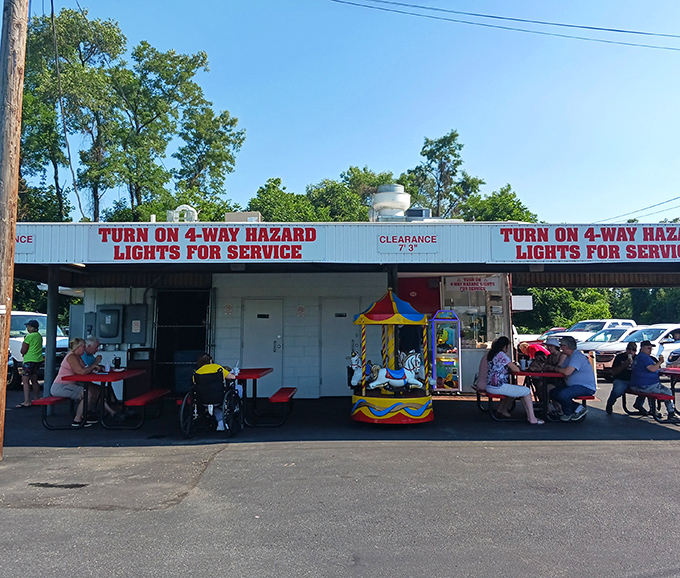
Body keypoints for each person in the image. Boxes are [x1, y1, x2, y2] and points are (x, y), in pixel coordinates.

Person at [51, 338, 121, 427]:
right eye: (83, 347)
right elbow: (81, 371)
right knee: (88, 393)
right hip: (61, 386)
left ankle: (90, 414)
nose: (84, 349)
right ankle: (77, 419)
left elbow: (86, 368)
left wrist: (94, 367)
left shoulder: (78, 357)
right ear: (77, 347)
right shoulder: (71, 357)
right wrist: (93, 366)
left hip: (71, 384)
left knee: (96, 391)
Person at [485, 336, 544, 425]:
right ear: (505, 346)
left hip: (490, 385)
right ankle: (532, 418)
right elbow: (516, 369)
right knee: (526, 390)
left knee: (517, 390)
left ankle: (501, 410)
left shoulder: (492, 354)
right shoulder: (502, 355)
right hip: (498, 386)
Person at [629, 340, 680, 422]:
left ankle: (648, 407)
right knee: (668, 391)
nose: (650, 350)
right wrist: (660, 362)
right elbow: (652, 369)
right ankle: (671, 413)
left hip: (635, 385)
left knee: (651, 391)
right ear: (642, 348)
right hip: (645, 385)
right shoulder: (645, 357)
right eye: (648, 348)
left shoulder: (638, 357)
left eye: (651, 348)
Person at [550, 335, 597, 422]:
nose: (560, 347)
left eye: (561, 345)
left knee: (563, 394)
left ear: (566, 346)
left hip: (585, 387)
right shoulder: (568, 357)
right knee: (553, 392)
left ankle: (568, 413)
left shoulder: (577, 356)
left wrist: (553, 368)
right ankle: (578, 408)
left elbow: (567, 372)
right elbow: (561, 369)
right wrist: (558, 368)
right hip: (574, 386)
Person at [196, 354, 238, 431]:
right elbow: (232, 377)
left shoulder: (197, 372)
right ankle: (223, 420)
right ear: (210, 361)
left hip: (202, 398)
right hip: (218, 396)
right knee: (238, 389)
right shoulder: (217, 368)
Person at [605, 342, 639, 414]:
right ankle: (610, 403)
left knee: (647, 388)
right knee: (617, 391)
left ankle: (639, 404)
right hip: (621, 379)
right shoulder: (619, 357)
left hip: (634, 380)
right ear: (626, 349)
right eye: (629, 349)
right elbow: (614, 371)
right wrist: (624, 364)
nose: (631, 351)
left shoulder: (637, 358)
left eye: (633, 350)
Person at [16, 319, 43, 408]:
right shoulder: (39, 336)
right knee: (34, 380)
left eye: (27, 326)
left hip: (29, 360)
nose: (27, 328)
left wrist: (22, 349)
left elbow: (23, 350)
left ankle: (27, 401)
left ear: (31, 328)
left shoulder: (29, 337)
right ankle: (36, 398)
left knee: (25, 381)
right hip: (38, 359)